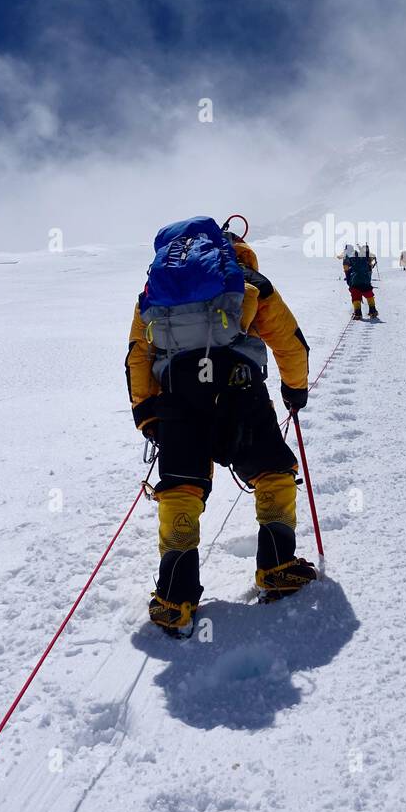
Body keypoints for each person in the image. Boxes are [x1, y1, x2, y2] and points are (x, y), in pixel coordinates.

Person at [125, 216, 317, 636]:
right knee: (272, 472)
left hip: (178, 399)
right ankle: (277, 566)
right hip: (240, 391)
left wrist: (147, 412)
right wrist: (295, 390)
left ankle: (174, 599)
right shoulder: (249, 282)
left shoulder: (155, 294)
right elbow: (290, 341)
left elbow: (138, 353)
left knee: (180, 489)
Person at [342, 242, 378, 318]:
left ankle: (358, 313)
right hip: (365, 280)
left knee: (356, 296)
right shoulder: (366, 257)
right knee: (369, 294)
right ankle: (373, 311)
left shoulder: (348, 257)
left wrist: (349, 280)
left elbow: (346, 269)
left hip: (355, 280)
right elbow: (370, 266)